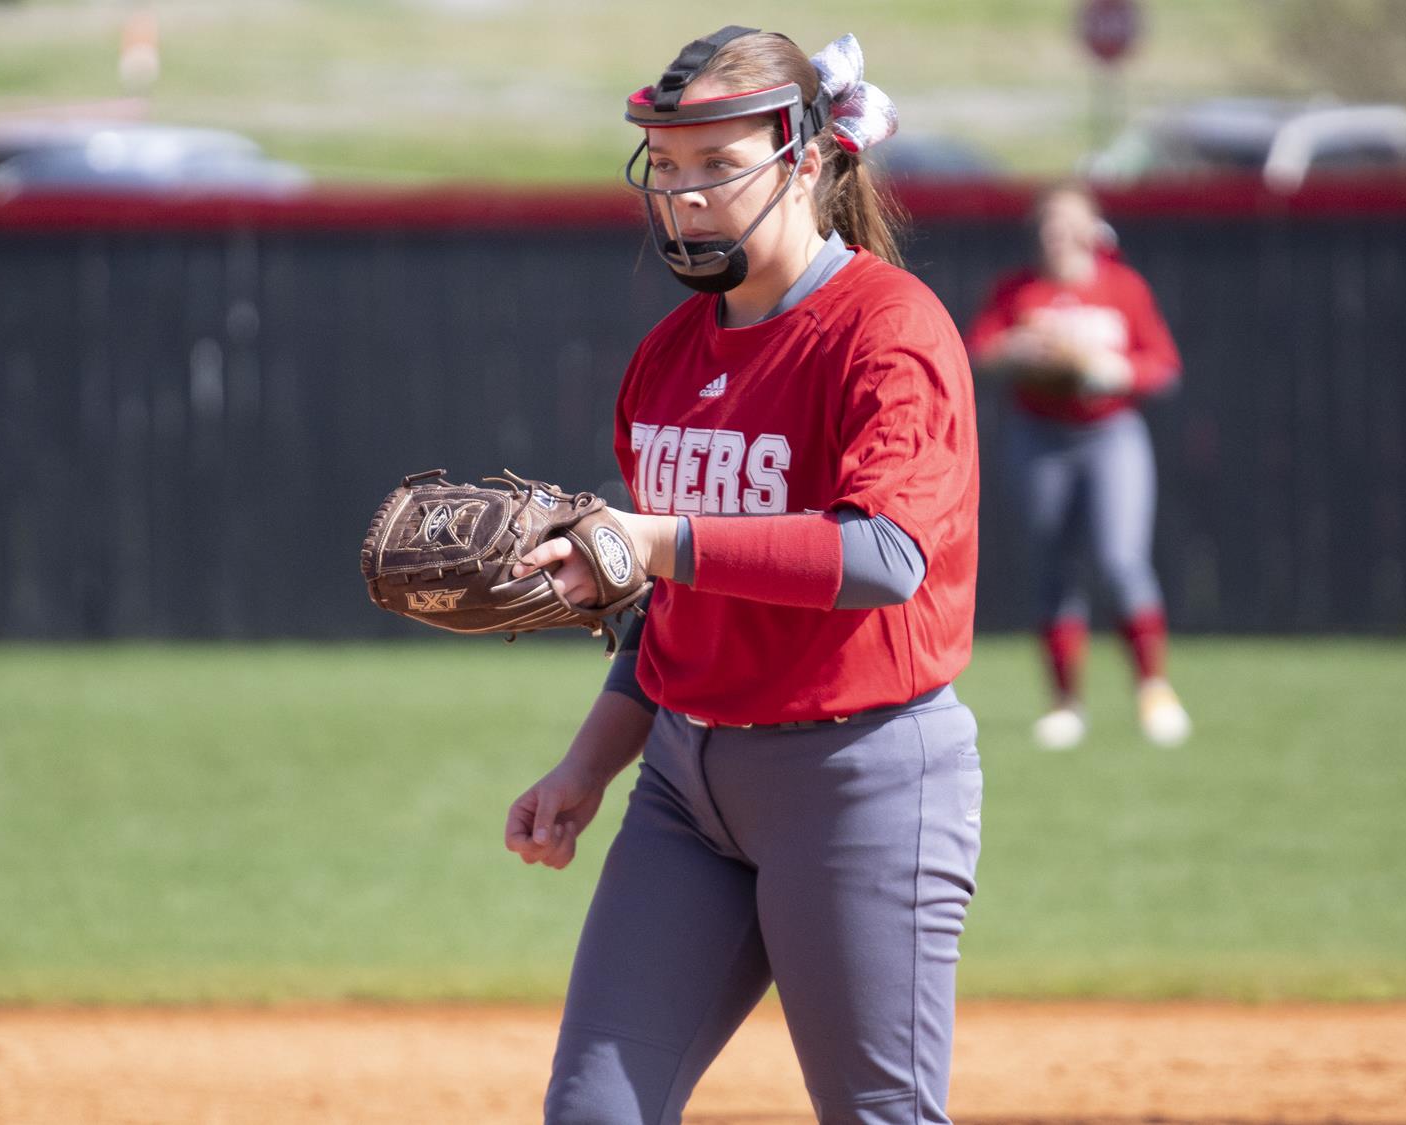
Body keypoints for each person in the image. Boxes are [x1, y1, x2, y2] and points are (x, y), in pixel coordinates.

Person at [502, 26, 983, 1125]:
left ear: (806, 159)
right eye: (666, 170)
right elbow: (668, 604)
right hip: (682, 785)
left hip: (860, 780)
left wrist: (651, 537)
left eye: (719, 168)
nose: (685, 198)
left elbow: (881, 557)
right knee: (593, 1112)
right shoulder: (669, 354)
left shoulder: (886, 329)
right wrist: (588, 767)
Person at [965, 183, 1190, 750]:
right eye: (1049, 223)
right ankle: (1065, 704)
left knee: (1121, 560)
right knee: (1053, 566)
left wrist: (1114, 371)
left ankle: (1154, 689)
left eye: (1071, 223)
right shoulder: (1019, 290)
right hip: (1040, 435)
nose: (1059, 234)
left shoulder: (1123, 288)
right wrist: (1018, 350)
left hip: (1111, 434)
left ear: (1094, 230)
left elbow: (1163, 366)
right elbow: (980, 351)